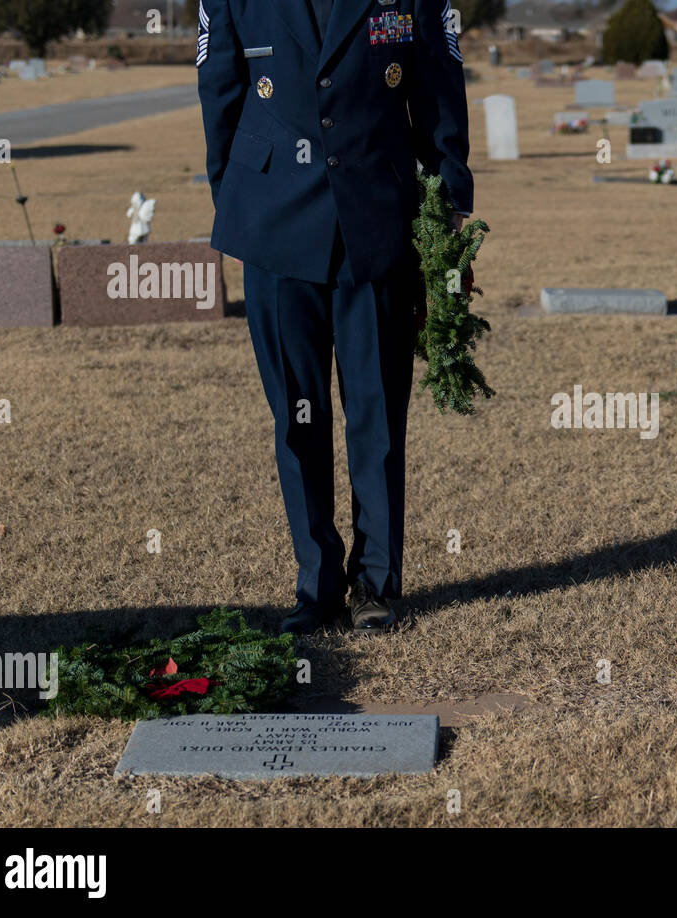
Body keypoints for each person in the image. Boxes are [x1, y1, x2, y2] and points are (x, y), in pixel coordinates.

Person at [196, 0, 474, 635]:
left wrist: (451, 200)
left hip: (377, 221)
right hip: (273, 225)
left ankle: (375, 583)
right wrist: (240, 200)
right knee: (297, 415)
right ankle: (316, 585)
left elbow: (437, 85)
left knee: (376, 412)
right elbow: (220, 92)